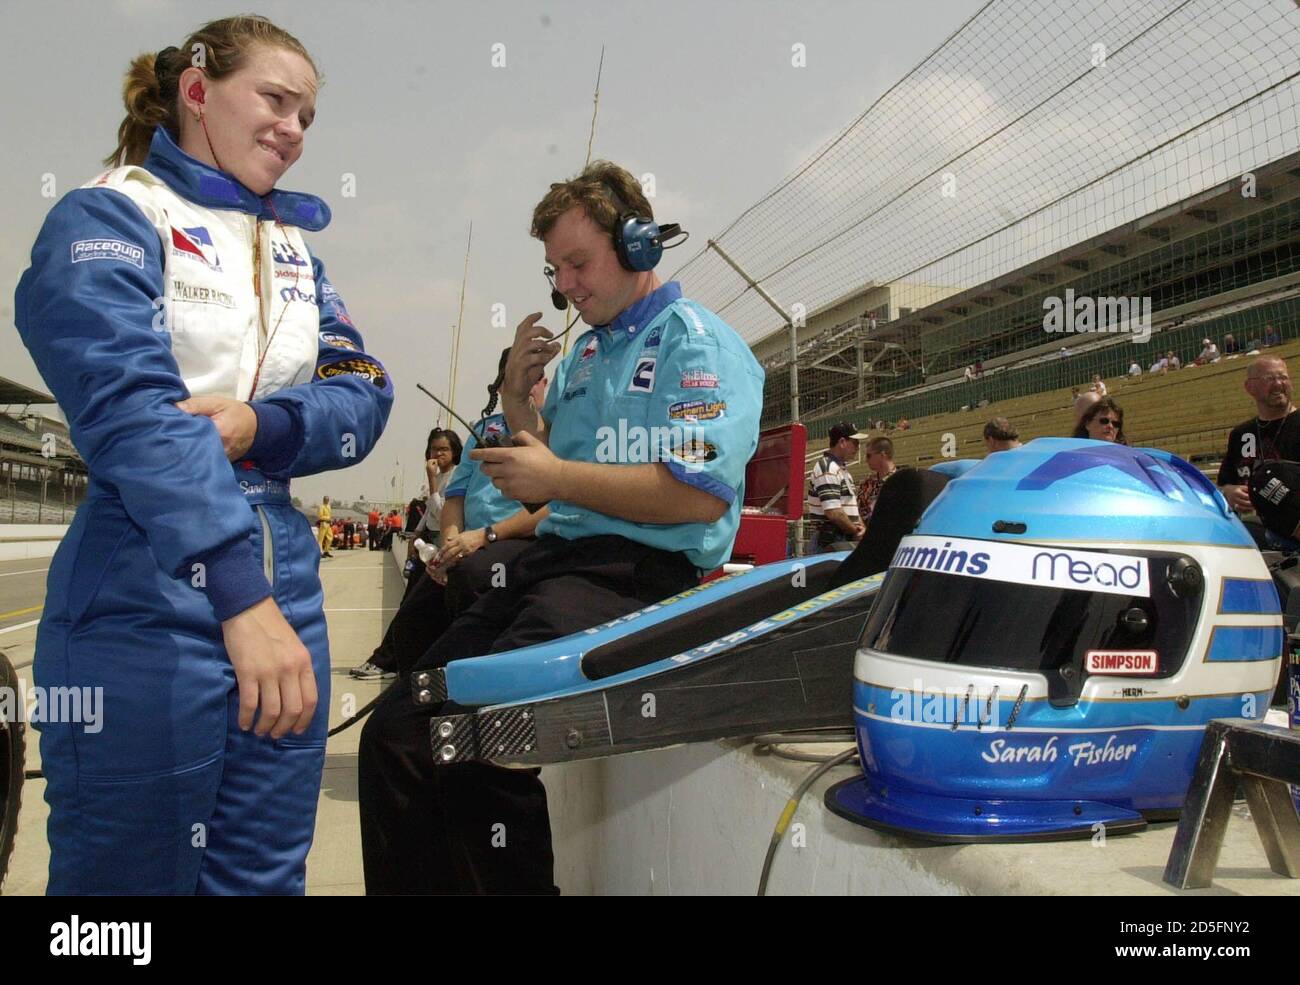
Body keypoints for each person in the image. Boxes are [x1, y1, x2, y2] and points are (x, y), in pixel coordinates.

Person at [12, 16, 393, 895]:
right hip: (143, 580)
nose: (294, 129)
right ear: (195, 91)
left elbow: (365, 394)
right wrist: (237, 591)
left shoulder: (297, 250)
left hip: (285, 580)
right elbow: (132, 411)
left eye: (306, 115)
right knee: (122, 897)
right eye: (274, 99)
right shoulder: (108, 212)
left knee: (261, 878)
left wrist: (258, 427)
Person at [358, 160, 764, 894]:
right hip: (554, 569)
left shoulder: (696, 344)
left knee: (479, 740)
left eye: (578, 262)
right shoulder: (584, 355)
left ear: (640, 245)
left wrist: (557, 479)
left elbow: (699, 497)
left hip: (635, 580)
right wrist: (517, 401)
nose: (566, 284)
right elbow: (553, 457)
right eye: (555, 268)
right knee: (392, 735)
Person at [1218, 357, 1300, 514]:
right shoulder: (1240, 434)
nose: (1278, 383)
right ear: (1250, 387)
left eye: (1283, 377)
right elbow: (1224, 484)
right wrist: (1229, 492)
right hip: (1249, 529)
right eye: (1269, 378)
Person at [806, 422, 867, 552]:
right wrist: (856, 531)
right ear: (842, 442)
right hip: (833, 540)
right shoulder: (828, 468)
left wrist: (861, 528)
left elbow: (850, 507)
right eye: (855, 443)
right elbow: (834, 512)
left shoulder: (841, 469)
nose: (858, 447)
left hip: (840, 538)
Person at [856, 436, 899, 527]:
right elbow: (859, 511)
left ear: (882, 455)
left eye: (869, 456)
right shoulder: (867, 483)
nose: (866, 460)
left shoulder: (902, 481)